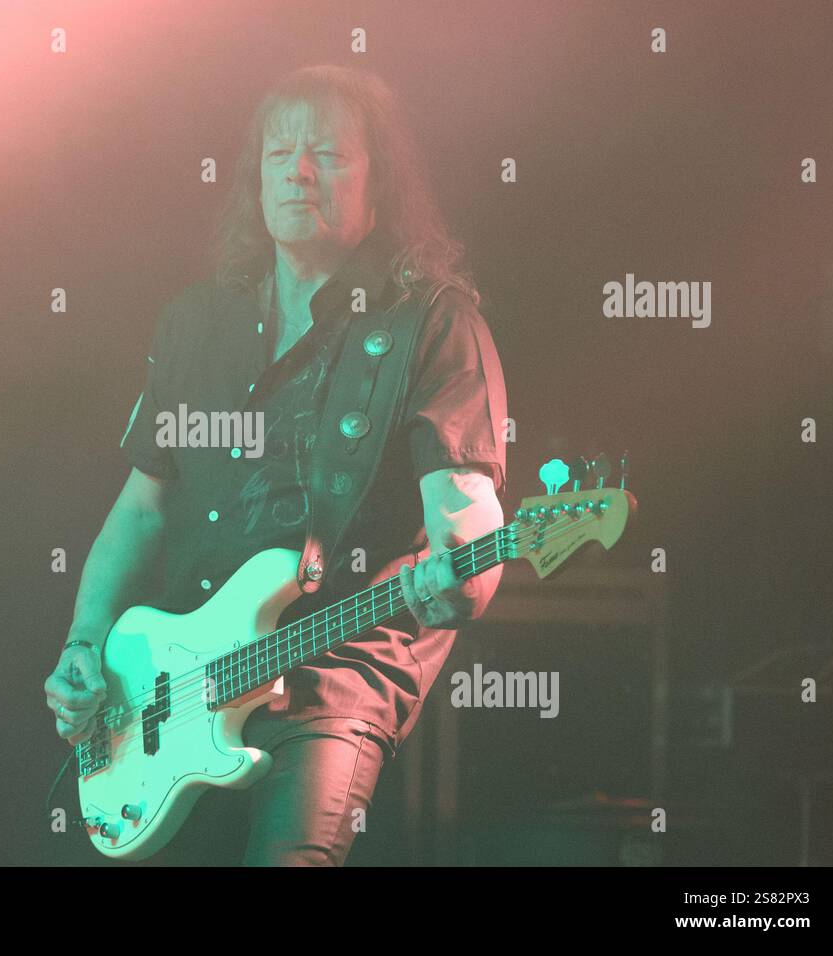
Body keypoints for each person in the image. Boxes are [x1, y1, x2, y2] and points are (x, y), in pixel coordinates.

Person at [44, 65, 508, 865]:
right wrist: (84, 645)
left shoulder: (429, 325)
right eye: (279, 151)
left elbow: (466, 512)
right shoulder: (198, 324)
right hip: (170, 689)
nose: (298, 170)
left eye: (328, 153)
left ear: (380, 182)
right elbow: (142, 509)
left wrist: (461, 574)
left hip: (332, 677)